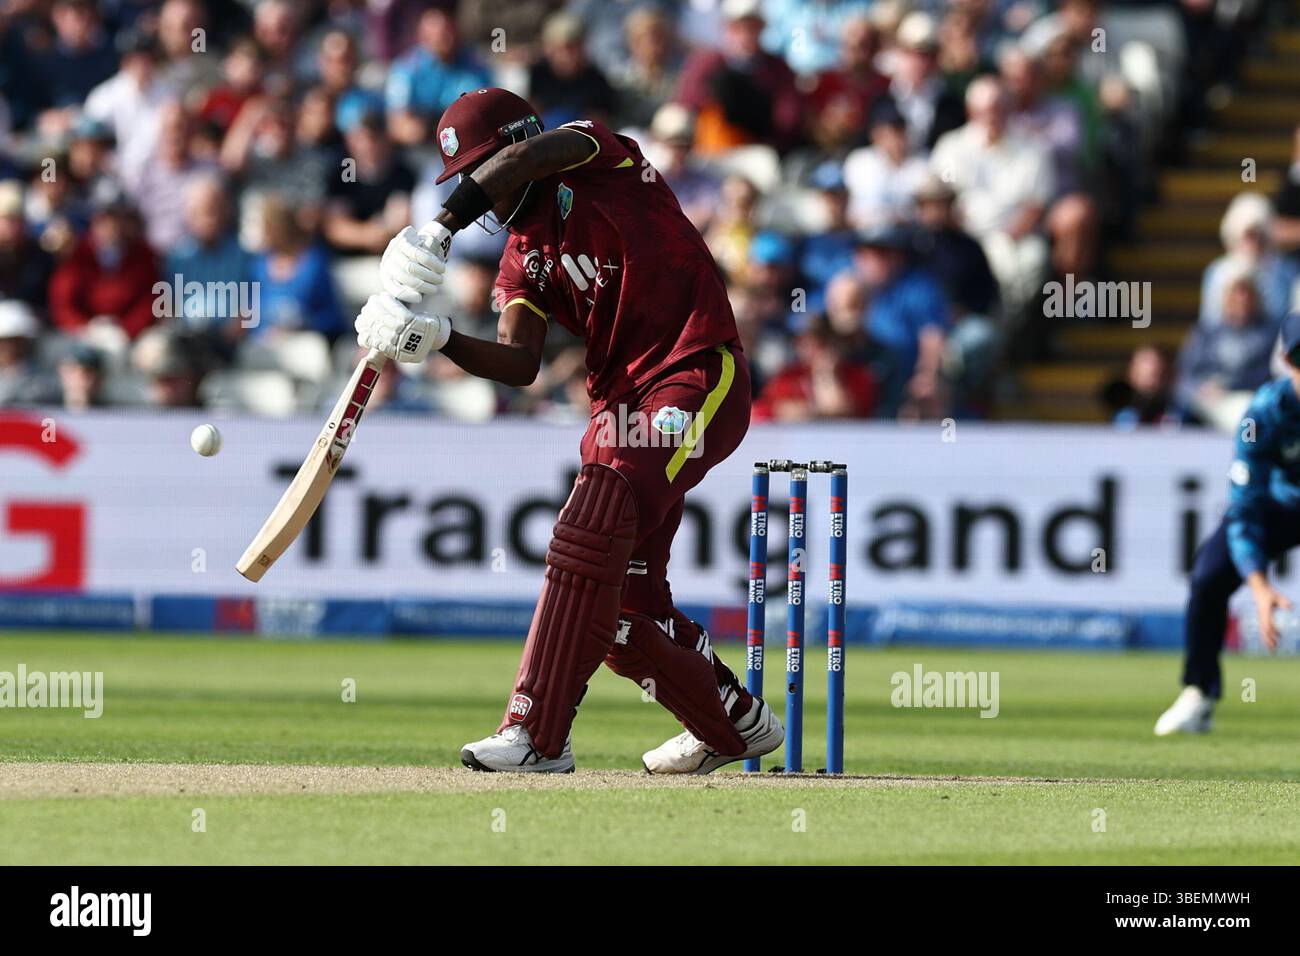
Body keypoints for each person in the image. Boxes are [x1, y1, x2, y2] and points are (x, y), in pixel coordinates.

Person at [354, 88, 783, 774]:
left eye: (479, 175)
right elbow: (520, 362)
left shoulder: (596, 155)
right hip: (617, 407)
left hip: (696, 372)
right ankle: (733, 723)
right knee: (622, 612)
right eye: (464, 185)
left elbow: (533, 153)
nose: (480, 196)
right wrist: (435, 338)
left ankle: (536, 736)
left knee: (595, 511)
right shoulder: (522, 255)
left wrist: (441, 224)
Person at [1154, 311, 1300, 736]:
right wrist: (1258, 584)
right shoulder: (1264, 414)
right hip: (1280, 508)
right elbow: (1245, 509)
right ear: (1288, 361)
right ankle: (1199, 691)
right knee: (1208, 577)